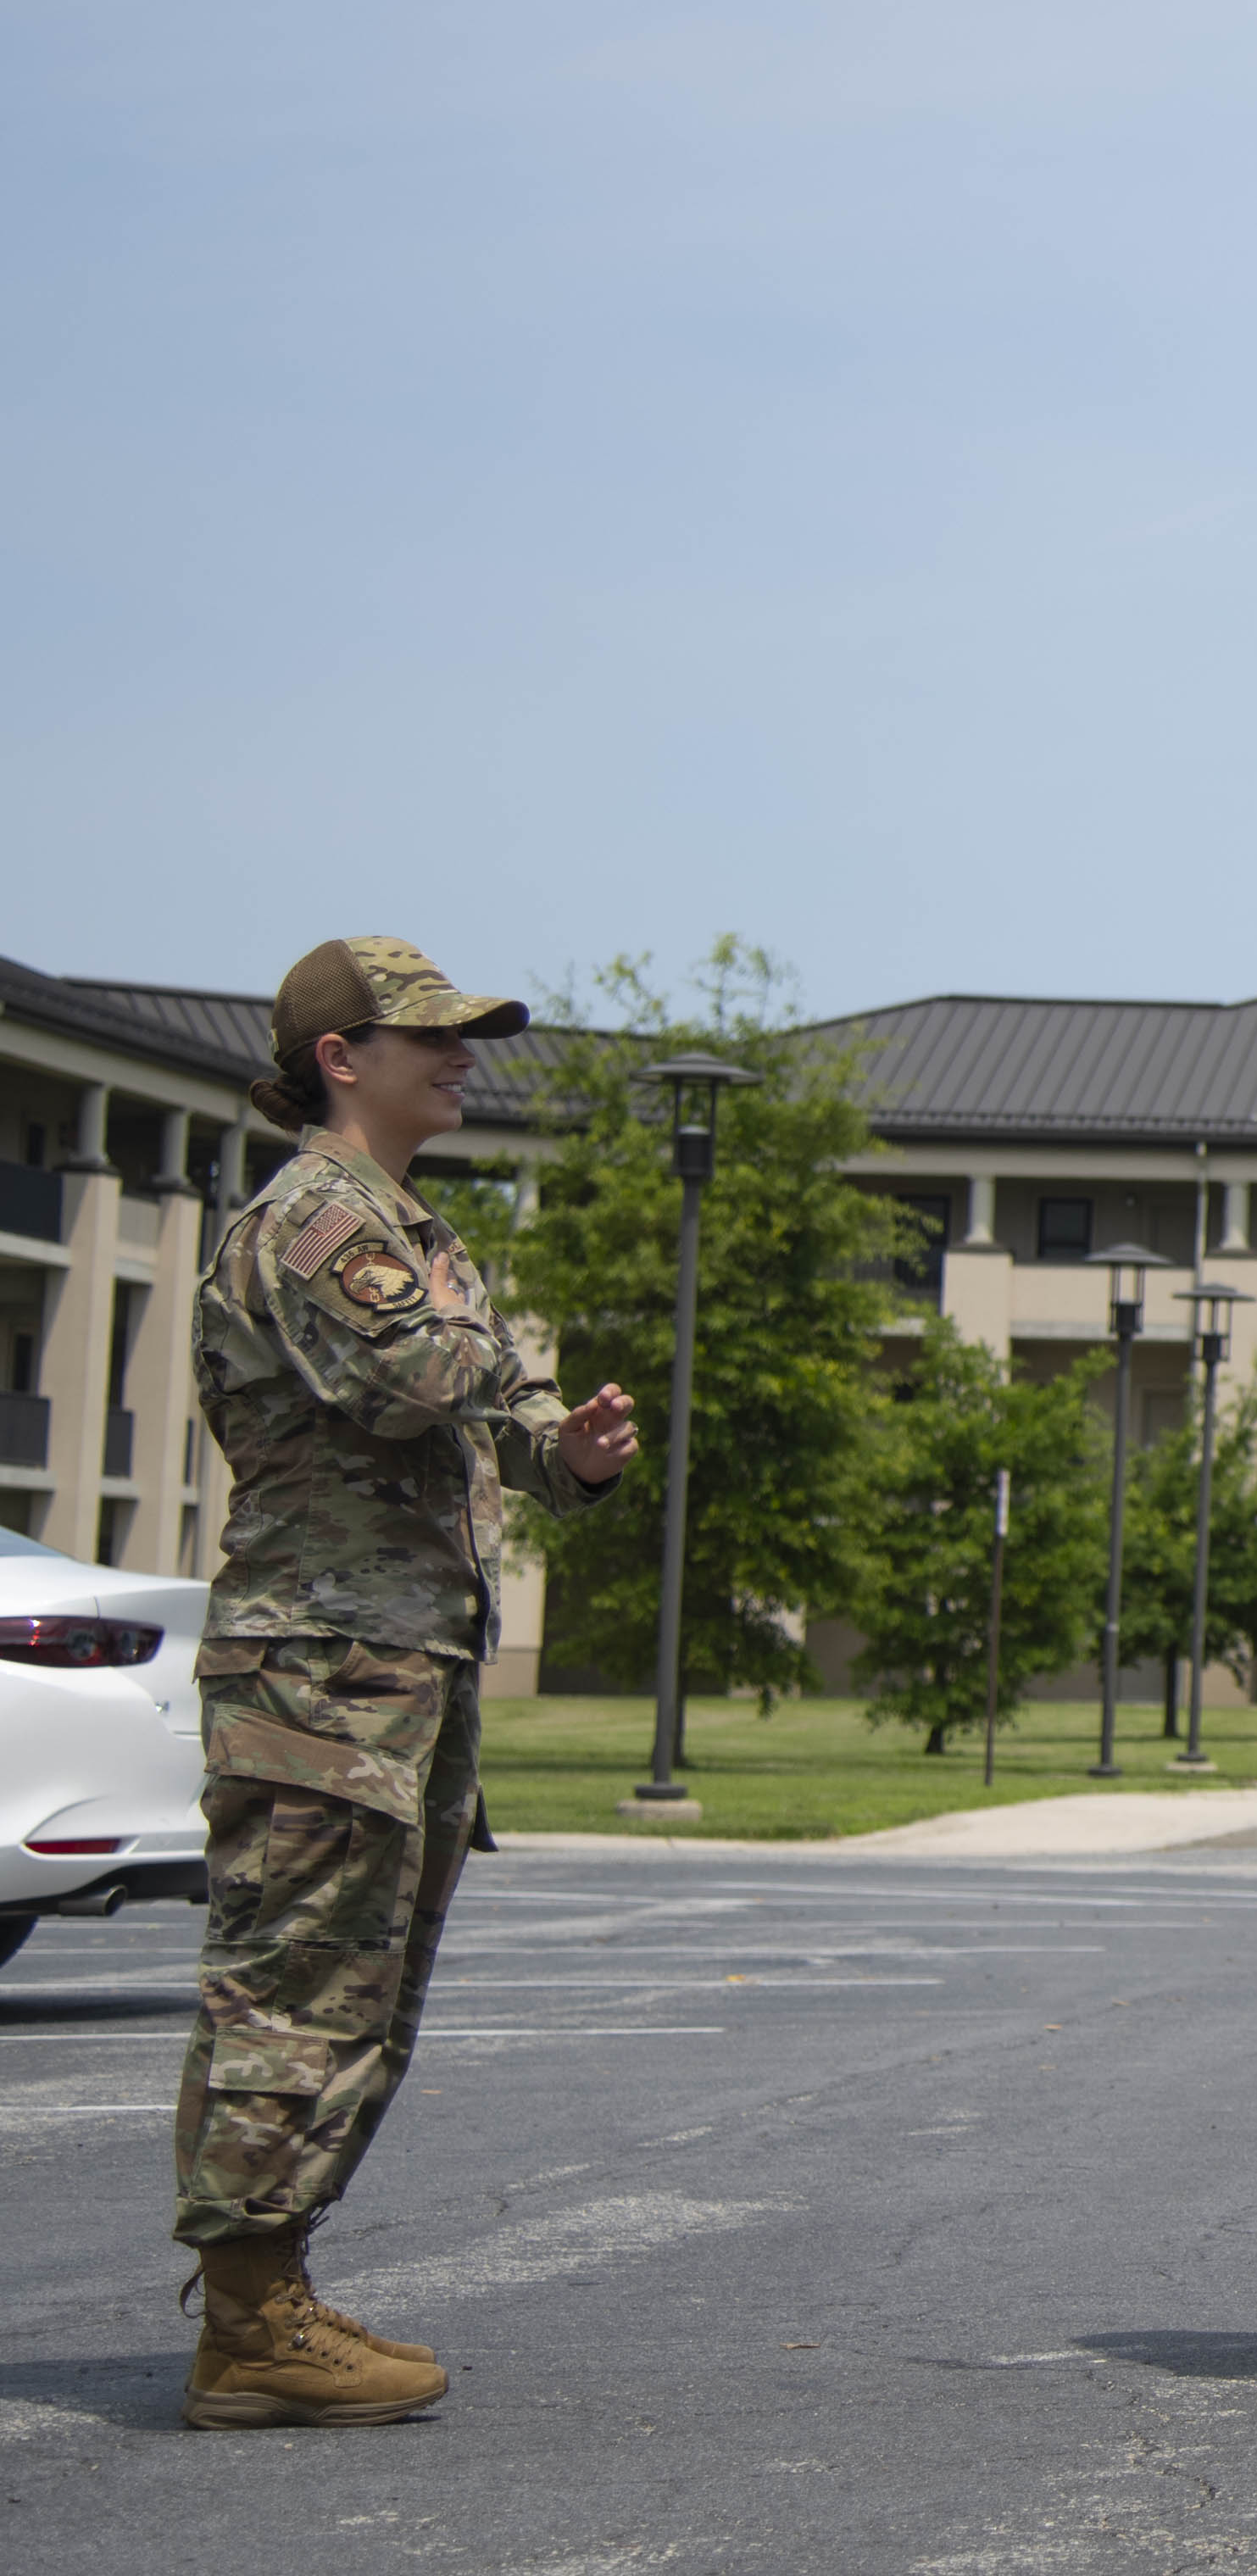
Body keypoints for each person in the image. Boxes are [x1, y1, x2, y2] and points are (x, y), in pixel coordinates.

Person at [171, 937, 640, 2429]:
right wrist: (528, 1403)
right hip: (321, 1669)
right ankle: (247, 2325)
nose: (464, 1057)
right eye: (429, 1035)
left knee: (360, 1994)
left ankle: (274, 2290)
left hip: (390, 1662)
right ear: (339, 1057)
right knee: (298, 1985)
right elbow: (424, 1376)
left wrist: (562, 1454)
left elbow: (462, 1403)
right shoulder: (318, 1221)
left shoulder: (408, 1224)